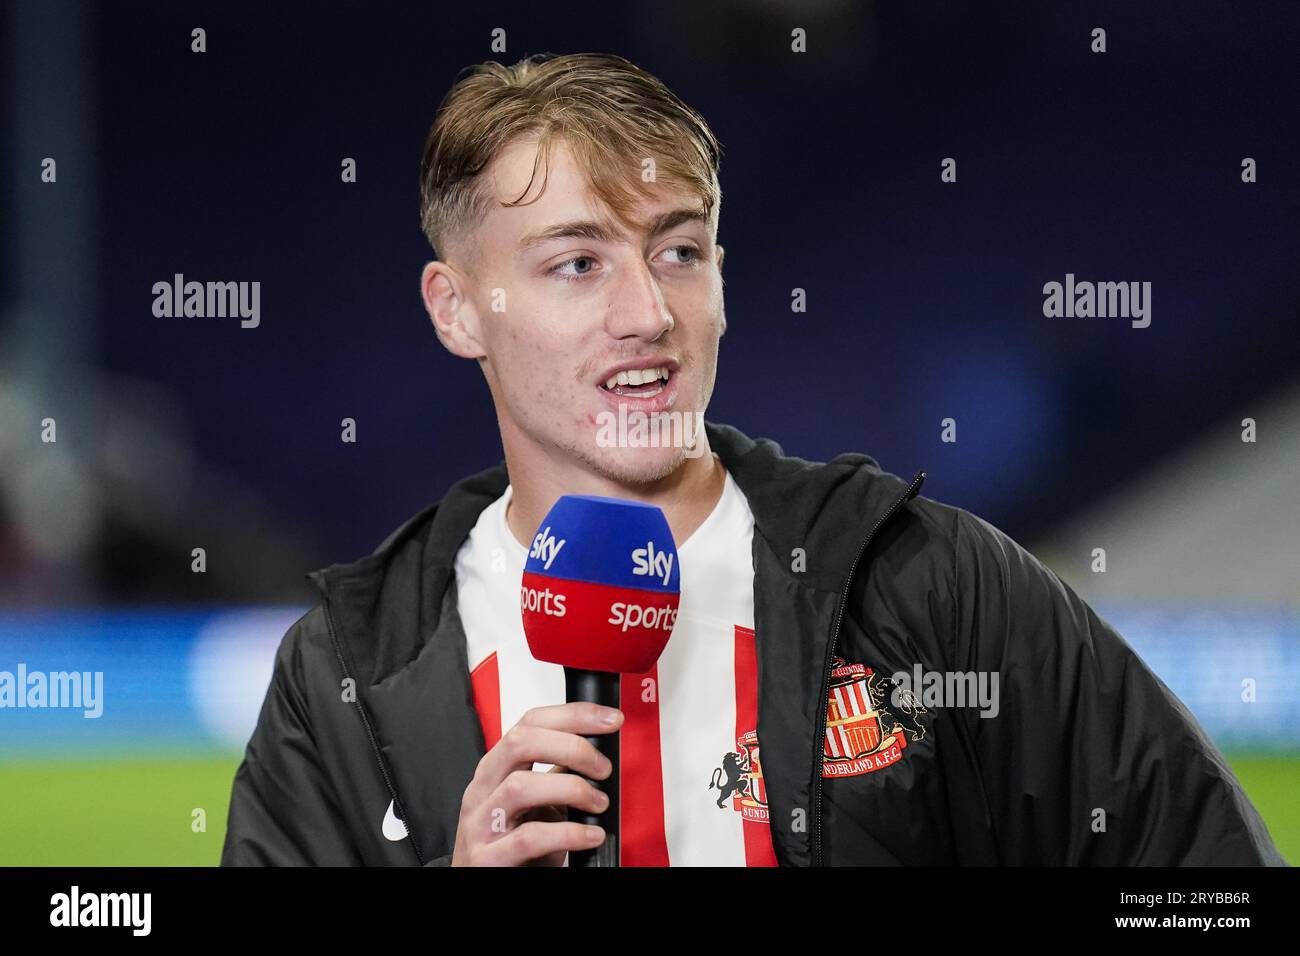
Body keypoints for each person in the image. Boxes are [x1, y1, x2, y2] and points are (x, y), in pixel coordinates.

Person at [221, 52, 1284, 866]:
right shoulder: (347, 676)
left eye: (679, 251)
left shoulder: (930, 583)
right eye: (577, 262)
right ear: (457, 310)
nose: (648, 312)